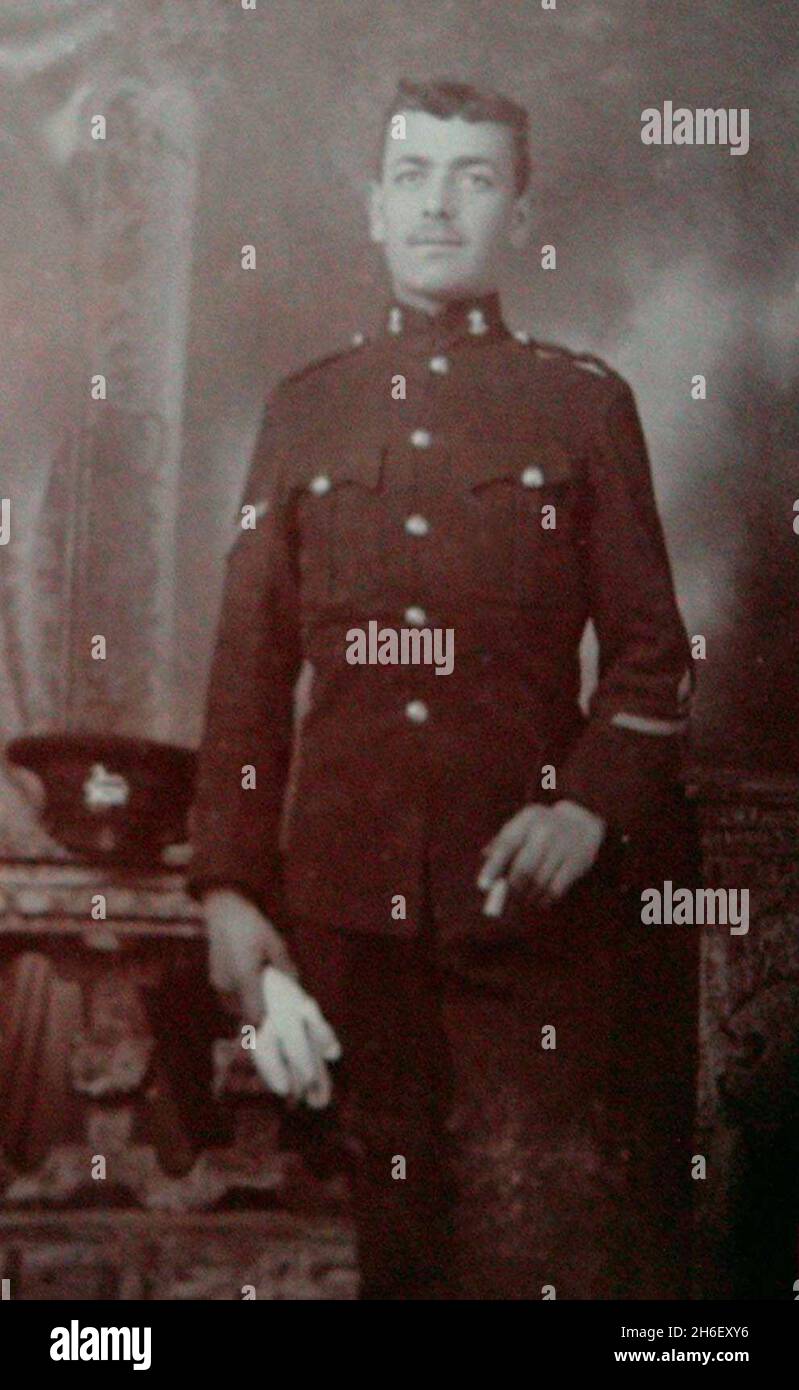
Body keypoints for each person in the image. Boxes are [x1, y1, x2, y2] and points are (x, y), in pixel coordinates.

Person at [187, 78, 699, 1300]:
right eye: (412, 175)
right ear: (372, 207)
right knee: (394, 1262)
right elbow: (247, 677)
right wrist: (226, 893)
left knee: (537, 1260)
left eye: (474, 179)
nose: (438, 205)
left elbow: (652, 653)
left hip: (528, 927)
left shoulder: (581, 404)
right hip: (346, 925)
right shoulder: (304, 414)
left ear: (517, 213)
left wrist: (587, 804)